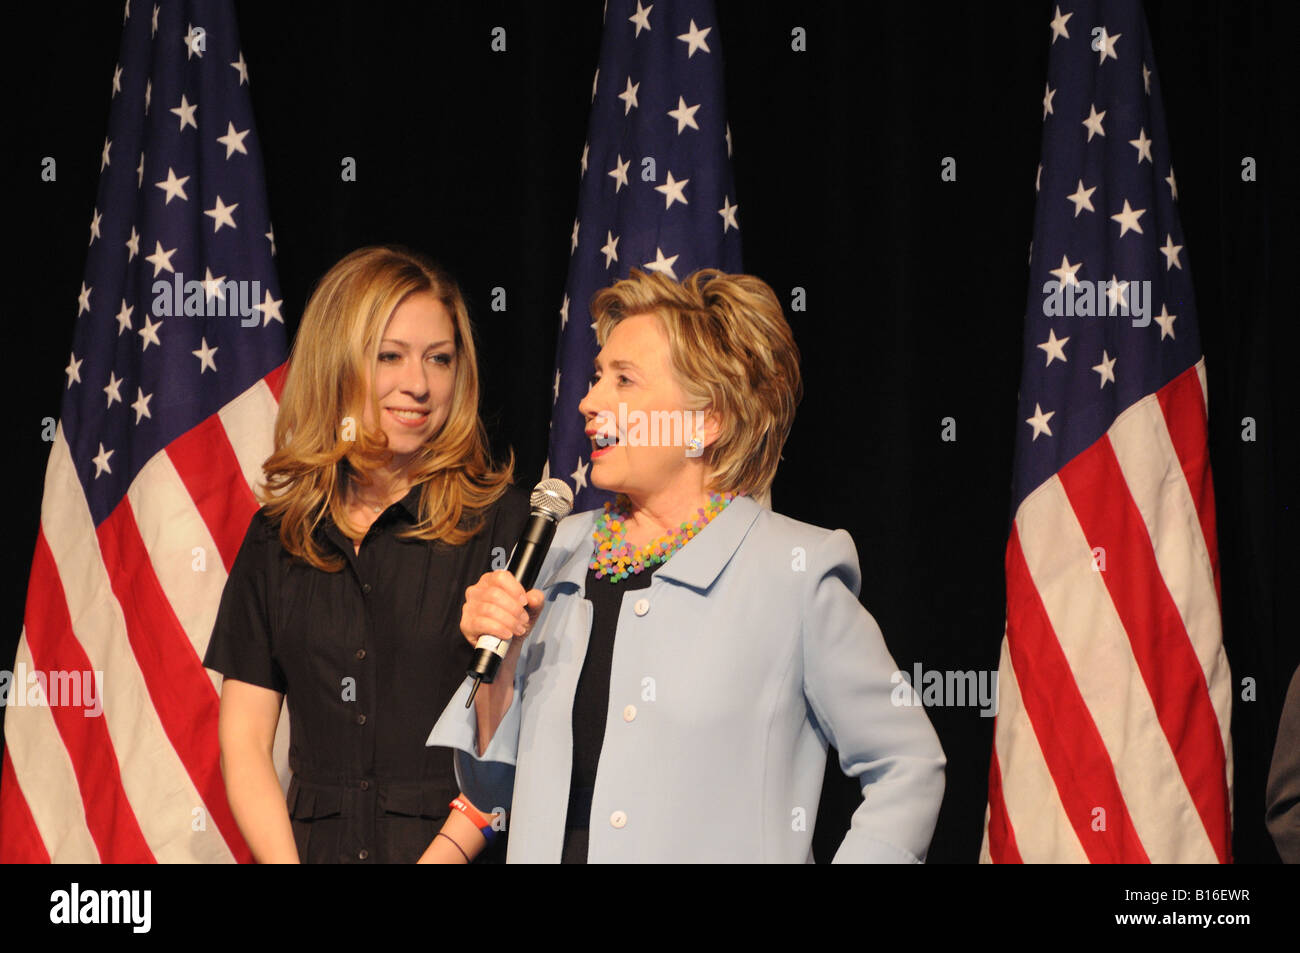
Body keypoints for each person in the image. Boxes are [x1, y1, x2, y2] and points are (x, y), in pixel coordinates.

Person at [426, 268, 946, 863]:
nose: (589, 402)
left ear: (706, 420)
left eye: (624, 380)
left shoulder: (793, 571)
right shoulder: (556, 550)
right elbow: (491, 795)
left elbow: (908, 764)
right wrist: (501, 670)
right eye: (597, 377)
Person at [203, 246, 529, 863]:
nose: (419, 384)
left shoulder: (506, 527)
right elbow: (243, 744)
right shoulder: (279, 537)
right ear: (336, 363)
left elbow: (515, 743)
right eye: (390, 356)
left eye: (439, 359)